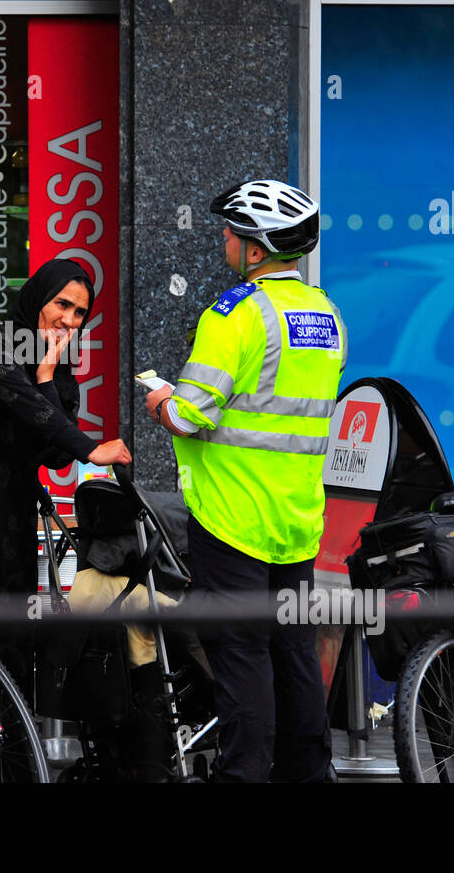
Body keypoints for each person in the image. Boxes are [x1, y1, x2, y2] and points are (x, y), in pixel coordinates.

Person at [144, 179, 346, 783]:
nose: (225, 242)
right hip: (296, 518)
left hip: (234, 518)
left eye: (231, 234)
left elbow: (189, 413)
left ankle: (244, 776)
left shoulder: (234, 315)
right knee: (294, 653)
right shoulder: (327, 315)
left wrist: (158, 398)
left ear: (255, 250)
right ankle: (309, 773)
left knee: (242, 656)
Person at [0, 258, 132, 695]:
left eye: (80, 313)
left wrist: (46, 377)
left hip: (11, 507)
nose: (69, 319)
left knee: (12, 631)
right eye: (62, 304)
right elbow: (25, 406)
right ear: (39, 297)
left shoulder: (59, 370)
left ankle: (11, 757)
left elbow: (57, 456)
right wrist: (92, 449)